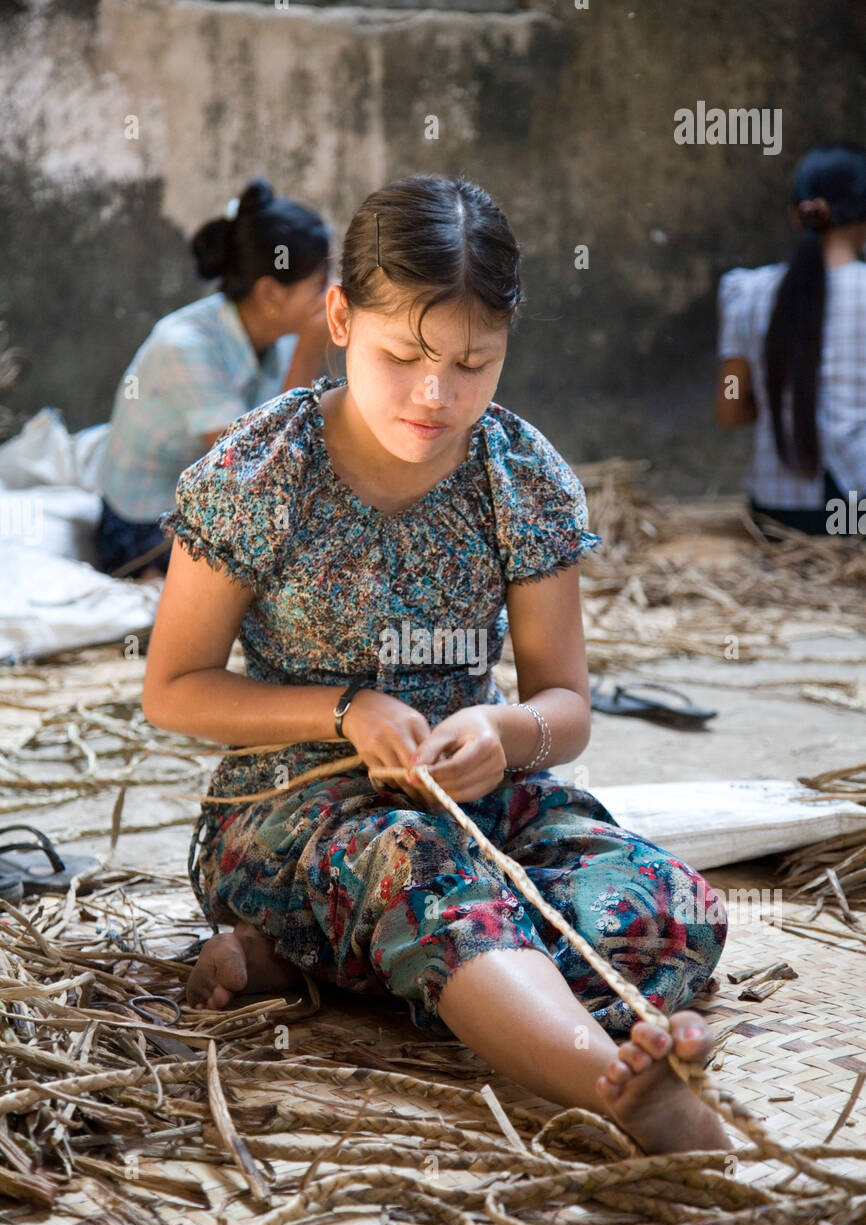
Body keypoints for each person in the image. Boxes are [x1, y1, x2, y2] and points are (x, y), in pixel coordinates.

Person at [142, 174, 729, 1156]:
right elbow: (173, 688)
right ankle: (608, 1084)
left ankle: (317, 965)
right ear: (337, 318)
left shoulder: (517, 472)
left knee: (665, 908)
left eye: (470, 363)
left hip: (469, 793)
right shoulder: (260, 471)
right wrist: (344, 710)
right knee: (424, 872)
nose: (435, 394)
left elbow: (564, 704)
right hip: (298, 801)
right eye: (402, 354)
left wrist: (505, 733)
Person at [95, 178, 335, 580]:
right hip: (141, 531)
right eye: (320, 283)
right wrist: (312, 349)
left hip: (210, 503)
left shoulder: (271, 333)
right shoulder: (186, 347)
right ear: (271, 294)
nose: (330, 294)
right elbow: (254, 470)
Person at [715, 142, 866, 538]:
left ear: (796, 216)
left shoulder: (746, 292)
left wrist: (767, 398)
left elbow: (728, 407)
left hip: (779, 517)